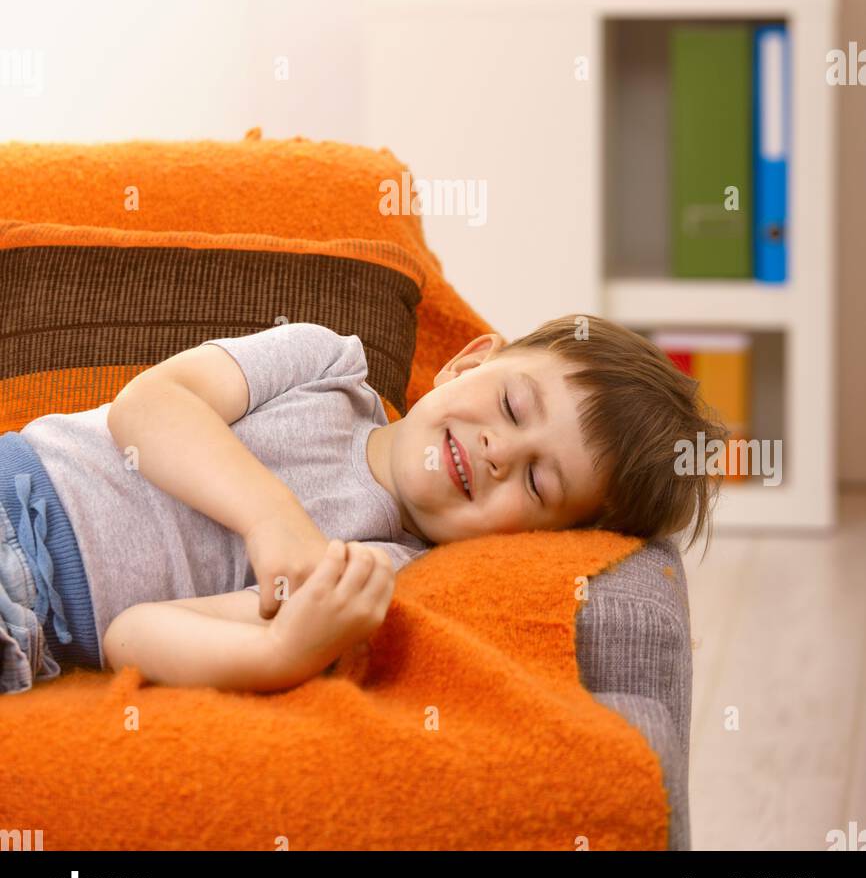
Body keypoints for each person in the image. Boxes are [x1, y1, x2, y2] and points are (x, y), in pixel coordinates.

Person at [0, 314, 726, 695]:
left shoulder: (374, 574)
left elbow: (132, 635)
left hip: (29, 633)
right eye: (511, 403)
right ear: (470, 360)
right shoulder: (325, 364)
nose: (501, 451)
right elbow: (148, 406)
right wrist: (271, 517)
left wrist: (281, 651)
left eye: (538, 483)